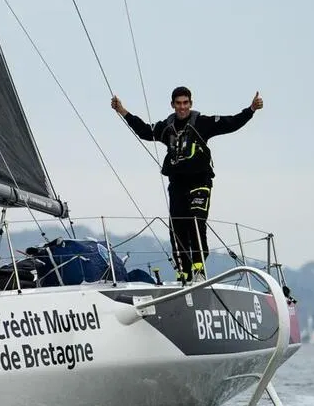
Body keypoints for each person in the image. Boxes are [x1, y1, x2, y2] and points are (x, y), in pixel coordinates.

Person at [111, 86, 263, 283]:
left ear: (191, 104)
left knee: (196, 221)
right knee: (177, 228)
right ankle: (184, 272)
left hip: (200, 181)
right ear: (173, 105)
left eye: (185, 103)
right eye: (178, 103)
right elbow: (145, 131)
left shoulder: (202, 122)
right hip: (177, 185)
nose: (182, 107)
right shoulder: (167, 127)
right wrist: (122, 111)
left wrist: (250, 109)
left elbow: (230, 123)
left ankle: (199, 268)